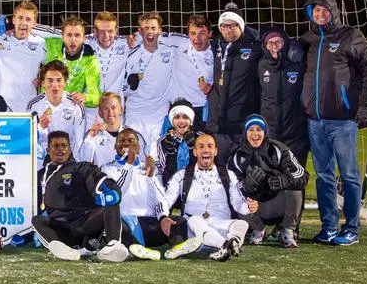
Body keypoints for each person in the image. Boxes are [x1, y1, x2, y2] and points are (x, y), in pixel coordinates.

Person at [300, 0, 367, 246]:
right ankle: (329, 227)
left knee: (349, 175)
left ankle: (352, 228)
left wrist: (365, 106)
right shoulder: (309, 40)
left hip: (342, 121)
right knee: (323, 176)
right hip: (315, 121)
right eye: (315, 11)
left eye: (323, 9)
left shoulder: (350, 36)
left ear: (333, 11)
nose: (319, 14)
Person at [100, 128, 203, 261]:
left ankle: (176, 248)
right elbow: (117, 193)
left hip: (149, 224)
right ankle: (135, 247)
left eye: (131, 140)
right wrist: (129, 164)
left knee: (178, 220)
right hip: (125, 223)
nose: (126, 143)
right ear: (115, 146)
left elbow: (160, 198)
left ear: (138, 146)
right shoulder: (107, 169)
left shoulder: (150, 166)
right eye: (121, 140)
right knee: (108, 223)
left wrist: (163, 216)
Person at [32, 131, 129, 262]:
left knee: (110, 202)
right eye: (55, 146)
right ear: (48, 150)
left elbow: (98, 179)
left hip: (85, 223)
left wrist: (110, 190)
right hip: (61, 229)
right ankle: (61, 249)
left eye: (64, 145)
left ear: (70, 149)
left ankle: (113, 246)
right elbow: (33, 201)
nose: (60, 149)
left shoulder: (80, 167)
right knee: (37, 220)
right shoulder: (39, 176)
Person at [159, 134, 259, 262]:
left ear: (215, 151)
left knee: (242, 223)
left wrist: (249, 206)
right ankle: (225, 245)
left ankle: (229, 243)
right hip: (194, 230)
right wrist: (163, 217)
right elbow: (166, 199)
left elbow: (238, 202)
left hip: (221, 225)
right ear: (195, 152)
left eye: (210, 146)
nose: (206, 150)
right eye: (201, 147)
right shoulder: (182, 175)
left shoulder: (228, 175)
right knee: (194, 220)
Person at [228, 115, 309, 248]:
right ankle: (258, 229)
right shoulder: (238, 156)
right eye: (251, 130)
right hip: (256, 208)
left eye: (259, 129)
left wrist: (283, 181)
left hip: (279, 204)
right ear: (245, 133)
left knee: (295, 189)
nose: (255, 134)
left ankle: (288, 229)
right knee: (237, 197)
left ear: (265, 132)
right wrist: (246, 185)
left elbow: (302, 176)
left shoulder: (278, 149)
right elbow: (231, 185)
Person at [206, 3, 262, 164]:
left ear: (242, 25)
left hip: (243, 122)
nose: (227, 29)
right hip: (219, 123)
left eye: (232, 25)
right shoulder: (216, 45)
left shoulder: (256, 46)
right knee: (221, 169)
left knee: (245, 169)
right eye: (224, 26)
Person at [122, 12, 176, 157]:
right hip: (136, 112)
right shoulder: (131, 55)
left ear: (160, 30)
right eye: (146, 28)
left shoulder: (170, 52)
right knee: (133, 155)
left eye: (153, 28)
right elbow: (123, 90)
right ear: (140, 31)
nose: (150, 31)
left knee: (155, 156)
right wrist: (130, 86)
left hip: (159, 112)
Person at [259, 28, 309, 165]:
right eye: (270, 43)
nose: (274, 46)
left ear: (285, 43)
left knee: (295, 176)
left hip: (295, 132)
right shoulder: (261, 65)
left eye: (279, 42)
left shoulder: (298, 64)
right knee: (272, 176)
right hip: (270, 132)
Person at [26, 60, 87, 167]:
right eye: (50, 80)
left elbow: (79, 141)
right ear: (43, 83)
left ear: (65, 82)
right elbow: (28, 139)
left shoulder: (76, 105)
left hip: (68, 159)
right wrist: (40, 127)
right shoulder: (34, 105)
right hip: (42, 161)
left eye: (59, 80)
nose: (55, 85)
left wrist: (73, 166)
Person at [0, 0, 47, 112]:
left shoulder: (41, 44)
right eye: (20, 18)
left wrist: (42, 79)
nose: (23, 22)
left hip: (28, 106)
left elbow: (64, 34)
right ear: (13, 20)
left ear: (34, 23)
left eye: (28, 19)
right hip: (1, 106)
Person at [43, 16, 101, 113]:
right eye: (69, 35)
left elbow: (96, 98)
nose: (73, 39)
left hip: (71, 109)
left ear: (84, 38)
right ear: (62, 36)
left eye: (77, 35)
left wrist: (85, 97)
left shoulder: (90, 61)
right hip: (46, 106)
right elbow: (32, 28)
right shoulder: (52, 45)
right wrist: (12, 30)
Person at [168, 14, 214, 131]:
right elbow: (154, 34)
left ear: (209, 34)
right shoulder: (178, 43)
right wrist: (132, 38)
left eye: (202, 33)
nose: (196, 39)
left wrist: (212, 88)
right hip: (180, 108)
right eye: (193, 33)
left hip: (204, 109)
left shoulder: (217, 53)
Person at [77, 92, 147, 167]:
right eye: (106, 108)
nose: (110, 112)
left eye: (113, 107)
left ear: (120, 110)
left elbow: (143, 167)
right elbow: (83, 162)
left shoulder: (135, 137)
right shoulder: (93, 137)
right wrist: (90, 137)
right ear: (100, 112)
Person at [84, 11, 130, 122]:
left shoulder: (126, 44)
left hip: (114, 111)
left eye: (110, 31)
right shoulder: (85, 43)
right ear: (95, 32)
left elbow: (151, 35)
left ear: (116, 31)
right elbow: (63, 33)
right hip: (91, 110)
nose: (106, 36)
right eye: (101, 31)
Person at [155, 98, 202, 188]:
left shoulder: (201, 138)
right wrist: (171, 155)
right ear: (172, 120)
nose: (181, 121)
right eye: (177, 117)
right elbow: (163, 172)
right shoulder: (162, 141)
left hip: (197, 188)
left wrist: (193, 149)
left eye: (185, 117)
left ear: (191, 120)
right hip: (172, 188)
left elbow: (206, 167)